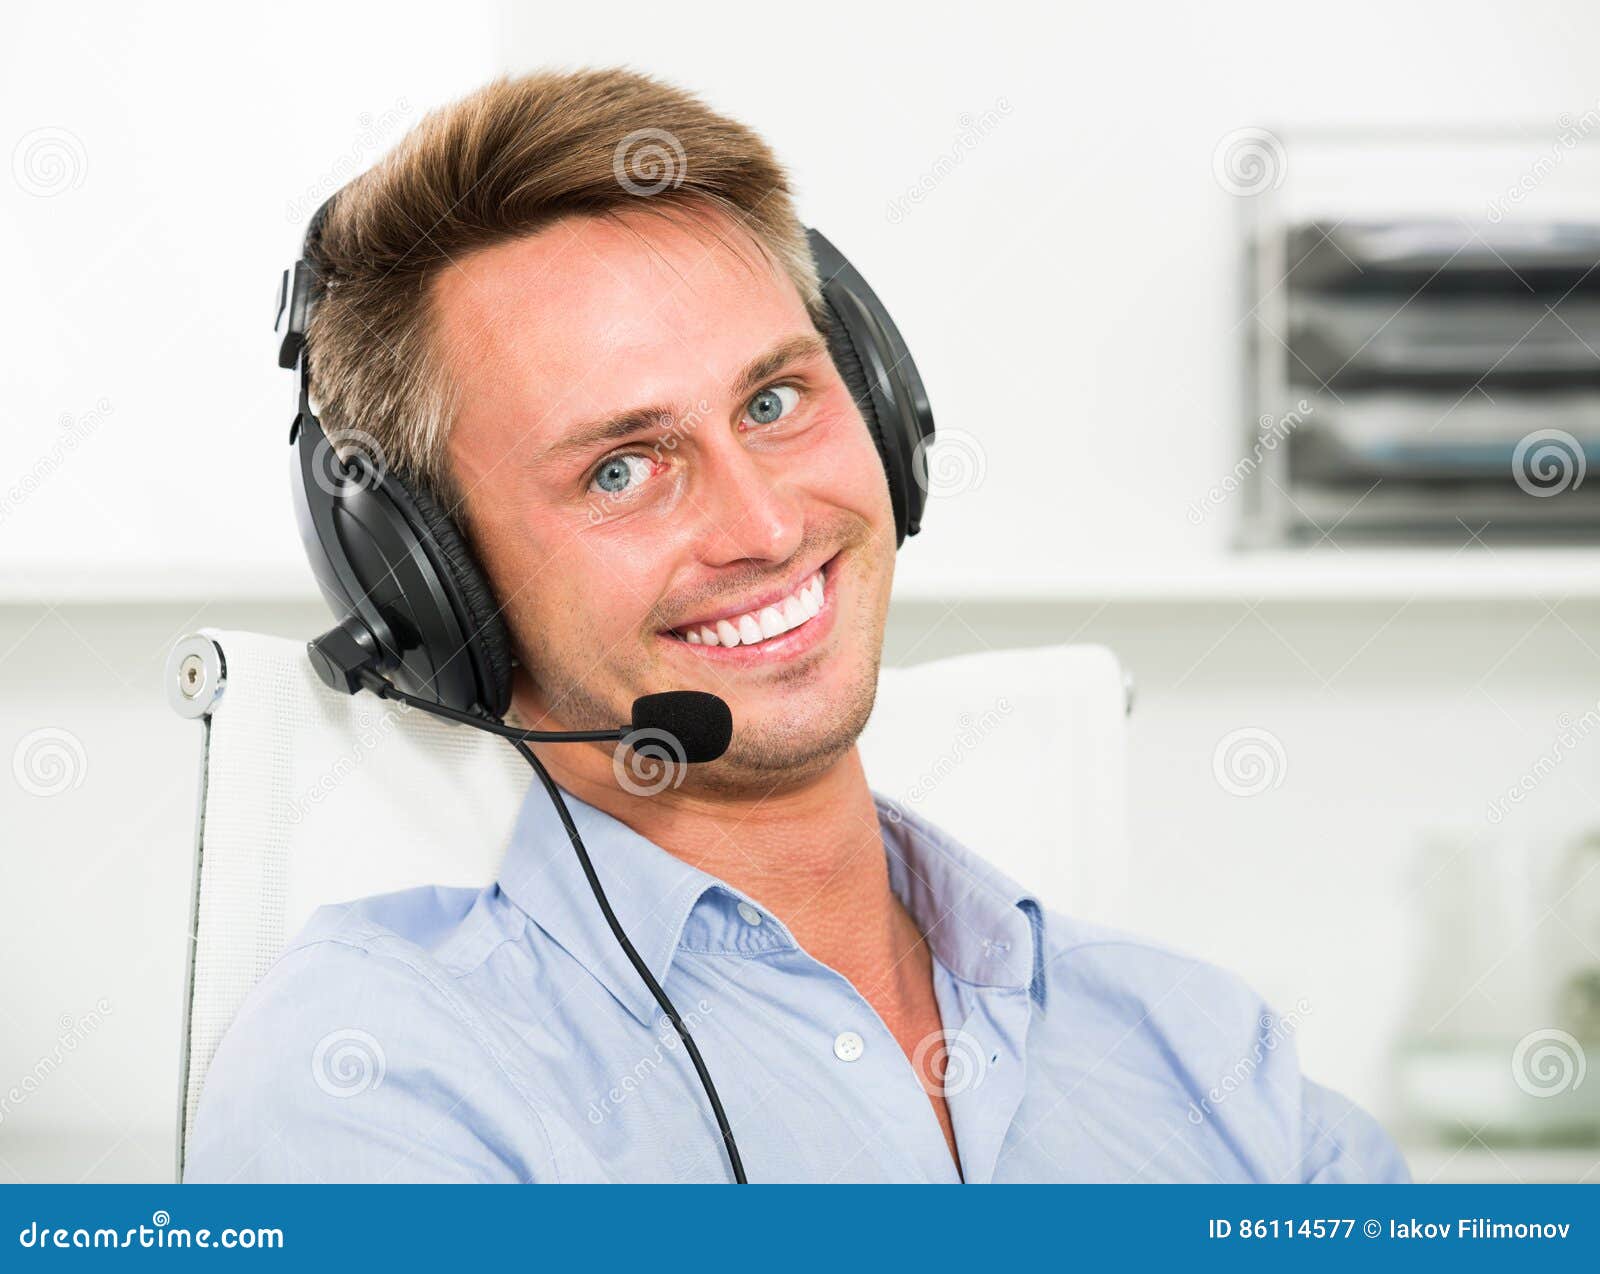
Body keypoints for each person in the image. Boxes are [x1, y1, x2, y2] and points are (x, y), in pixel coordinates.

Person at [185, 68, 1408, 1184]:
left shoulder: (1210, 1059)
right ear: (428, 585)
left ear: (875, 397)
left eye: (774, 399)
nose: (765, 524)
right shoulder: (380, 1077)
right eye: (621, 468)